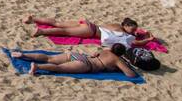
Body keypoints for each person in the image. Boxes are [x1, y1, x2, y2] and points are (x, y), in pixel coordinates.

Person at [10, 45, 140, 78]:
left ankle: (23, 54)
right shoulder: (117, 59)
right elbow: (130, 74)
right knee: (59, 68)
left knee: (49, 58)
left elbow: (95, 53)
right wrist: (123, 64)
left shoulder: (105, 50)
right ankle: (37, 67)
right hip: (86, 65)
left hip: (79, 56)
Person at [21, 15, 152, 48]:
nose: (134, 31)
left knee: (58, 23)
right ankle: (41, 32)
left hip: (88, 23)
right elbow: (135, 42)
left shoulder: (117, 25)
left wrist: (137, 33)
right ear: (126, 26)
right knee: (64, 32)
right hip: (90, 30)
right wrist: (148, 39)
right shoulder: (122, 31)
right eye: (133, 29)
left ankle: (33, 18)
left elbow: (132, 36)